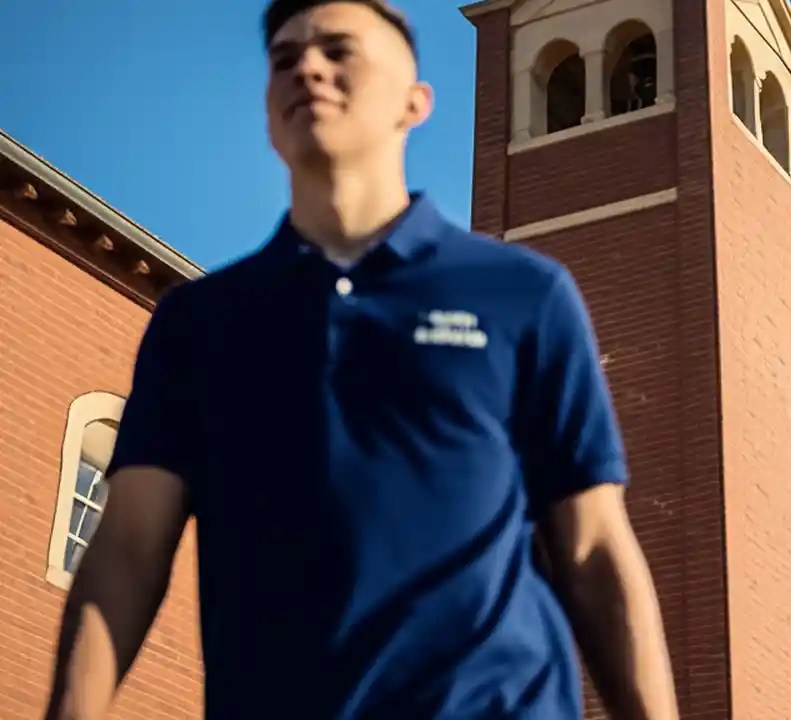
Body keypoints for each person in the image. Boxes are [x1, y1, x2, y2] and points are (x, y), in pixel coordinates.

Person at [43, 1, 679, 718]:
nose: (307, 67)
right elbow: (128, 545)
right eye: (285, 60)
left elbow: (593, 549)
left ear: (414, 104)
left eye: (339, 51)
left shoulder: (524, 295)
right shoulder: (200, 323)